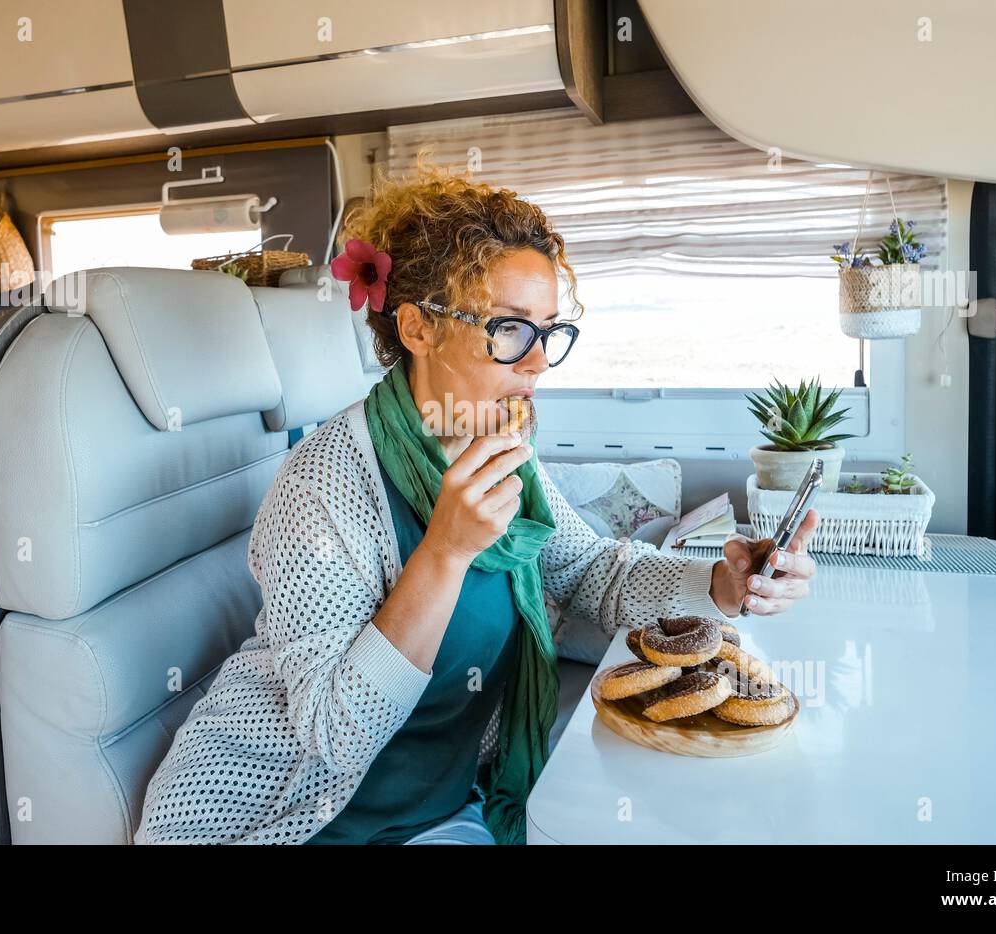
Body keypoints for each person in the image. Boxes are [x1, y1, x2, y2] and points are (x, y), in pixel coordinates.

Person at [135, 164, 819, 845]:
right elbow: (336, 735)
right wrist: (446, 551)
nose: (538, 362)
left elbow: (589, 574)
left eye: (549, 331)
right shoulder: (321, 484)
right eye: (511, 329)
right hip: (289, 821)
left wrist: (721, 586)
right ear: (418, 328)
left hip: (450, 803)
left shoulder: (496, 443)